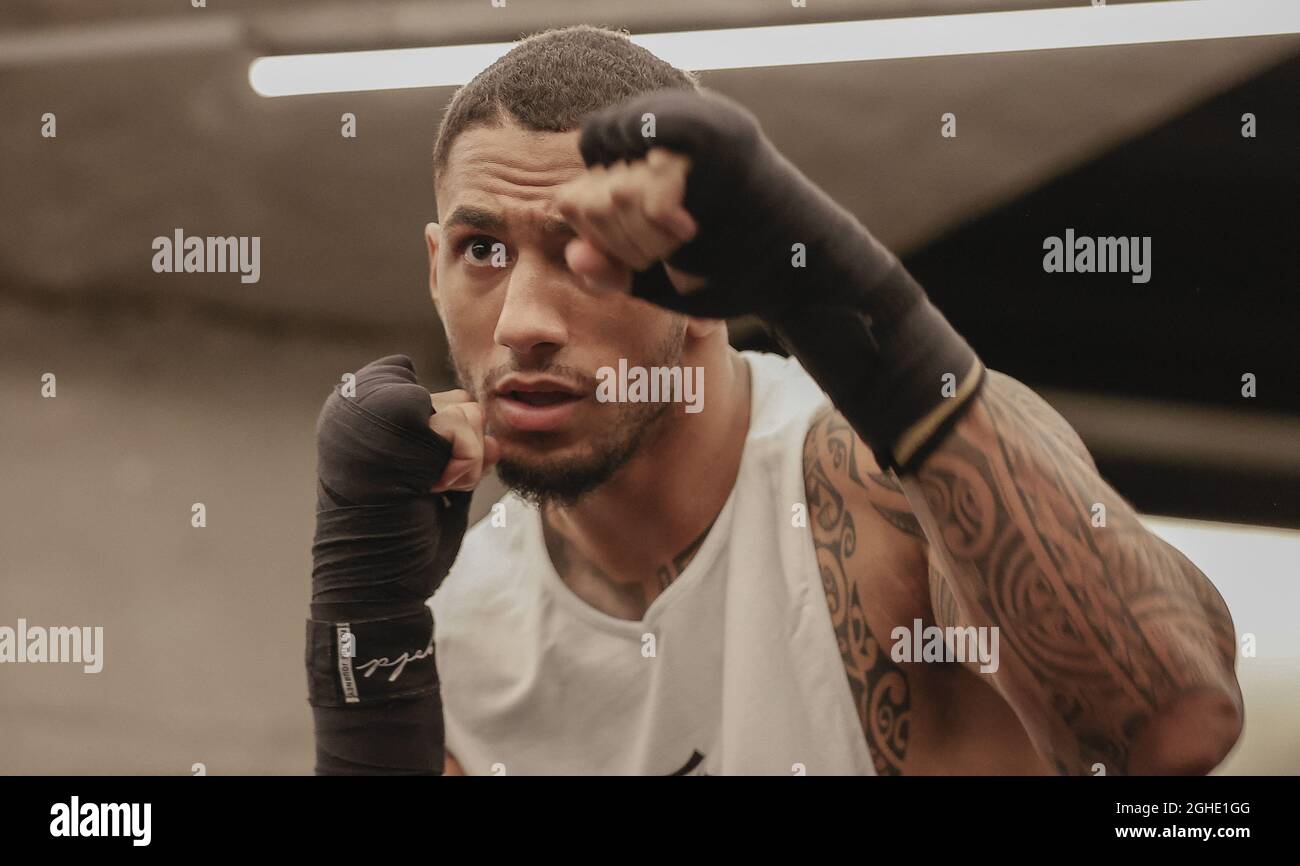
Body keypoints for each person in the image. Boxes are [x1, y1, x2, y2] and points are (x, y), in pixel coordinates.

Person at [305, 24, 1242, 776]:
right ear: (435, 269)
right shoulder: (462, 616)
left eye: (588, 249)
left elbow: (1172, 729)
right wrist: (361, 652)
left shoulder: (887, 480)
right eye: (484, 251)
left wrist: (871, 326)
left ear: (698, 271)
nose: (522, 323)